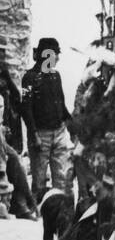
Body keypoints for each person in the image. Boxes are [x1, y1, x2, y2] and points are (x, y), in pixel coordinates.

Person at [21, 37, 74, 199]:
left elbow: (61, 105)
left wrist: (72, 127)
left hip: (58, 133)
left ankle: (59, 212)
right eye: (55, 54)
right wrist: (34, 135)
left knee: (61, 177)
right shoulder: (30, 77)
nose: (57, 58)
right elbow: (26, 108)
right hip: (40, 135)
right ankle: (39, 214)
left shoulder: (55, 76)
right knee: (39, 179)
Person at [0, 59, 36, 218]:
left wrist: (6, 76)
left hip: (2, 132)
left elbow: (17, 97)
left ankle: (21, 205)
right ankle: (25, 201)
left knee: (13, 159)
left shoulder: (4, 78)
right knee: (10, 158)